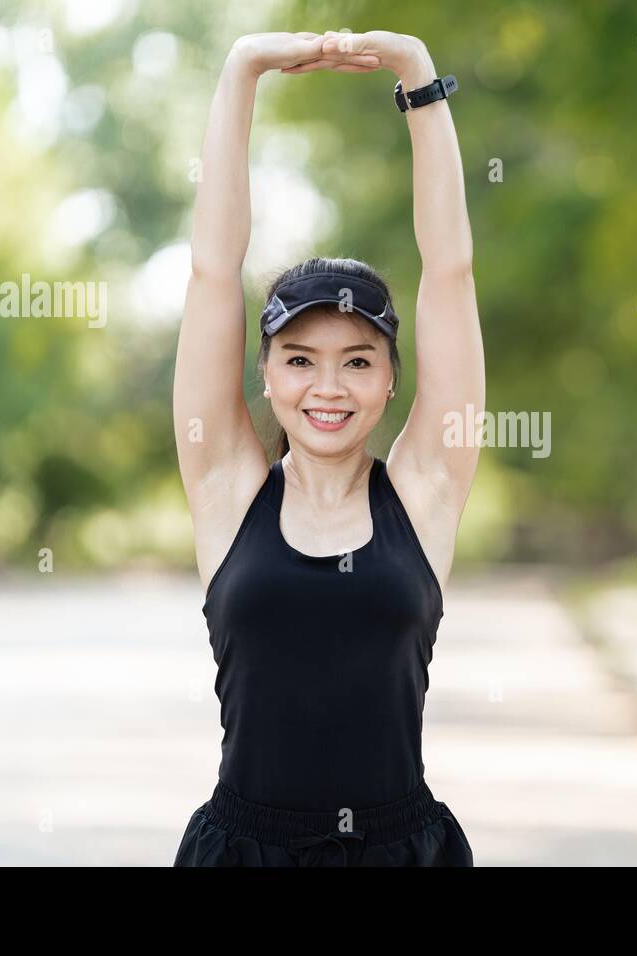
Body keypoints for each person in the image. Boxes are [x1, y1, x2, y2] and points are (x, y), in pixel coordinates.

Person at [170, 30, 483, 866]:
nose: (328, 388)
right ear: (266, 376)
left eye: (357, 361)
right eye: (300, 361)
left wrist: (419, 75)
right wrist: (239, 71)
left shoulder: (425, 492)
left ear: (391, 381)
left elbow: (449, 270)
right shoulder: (226, 487)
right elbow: (210, 270)